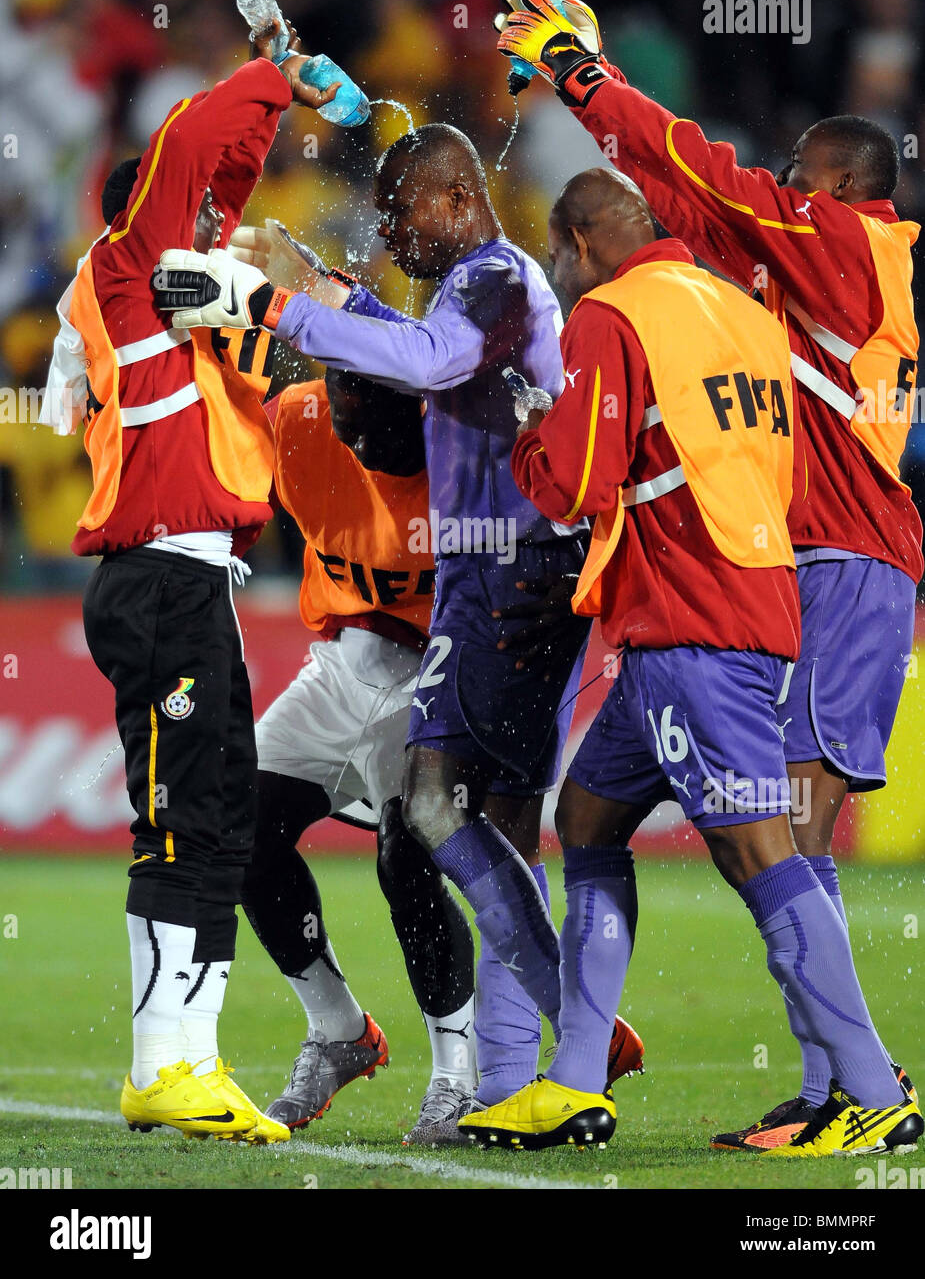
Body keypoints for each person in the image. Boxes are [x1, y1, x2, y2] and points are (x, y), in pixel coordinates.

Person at [495, 0, 922, 1156]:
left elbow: (699, 178)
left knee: (785, 833)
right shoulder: (789, 284)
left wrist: (583, 74)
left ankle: (863, 1085)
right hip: (799, 563)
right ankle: (819, 1079)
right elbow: (676, 240)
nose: (777, 186)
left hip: (834, 563)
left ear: (837, 188)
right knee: (613, 820)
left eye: (796, 172)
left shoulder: (844, 246)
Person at [152, 122, 644, 1134]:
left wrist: (272, 301)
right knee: (460, 817)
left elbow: (422, 362)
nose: (385, 224)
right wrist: (323, 285)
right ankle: (538, 1063)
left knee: (446, 817)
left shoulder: (497, 282)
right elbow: (409, 351)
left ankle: (559, 1043)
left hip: (515, 577)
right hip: (474, 588)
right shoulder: (470, 290)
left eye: (399, 205)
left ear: (458, 200)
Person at [41, 30, 338, 1144]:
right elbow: (184, 159)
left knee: (211, 822)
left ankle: (193, 1062)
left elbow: (210, 178)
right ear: (148, 221)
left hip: (194, 585)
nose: (218, 233)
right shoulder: (128, 270)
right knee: (175, 820)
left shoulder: (175, 317)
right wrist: (274, 79)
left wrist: (259, 123)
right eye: (200, 221)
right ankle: (161, 1063)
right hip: (158, 581)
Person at [242, 364, 479, 1145]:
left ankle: (458, 1076)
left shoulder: (474, 442)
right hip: (342, 661)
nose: (362, 442)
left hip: (439, 670)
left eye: (378, 423)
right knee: (238, 828)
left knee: (403, 859)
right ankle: (338, 1029)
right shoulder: (296, 417)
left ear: (419, 402)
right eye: (348, 420)